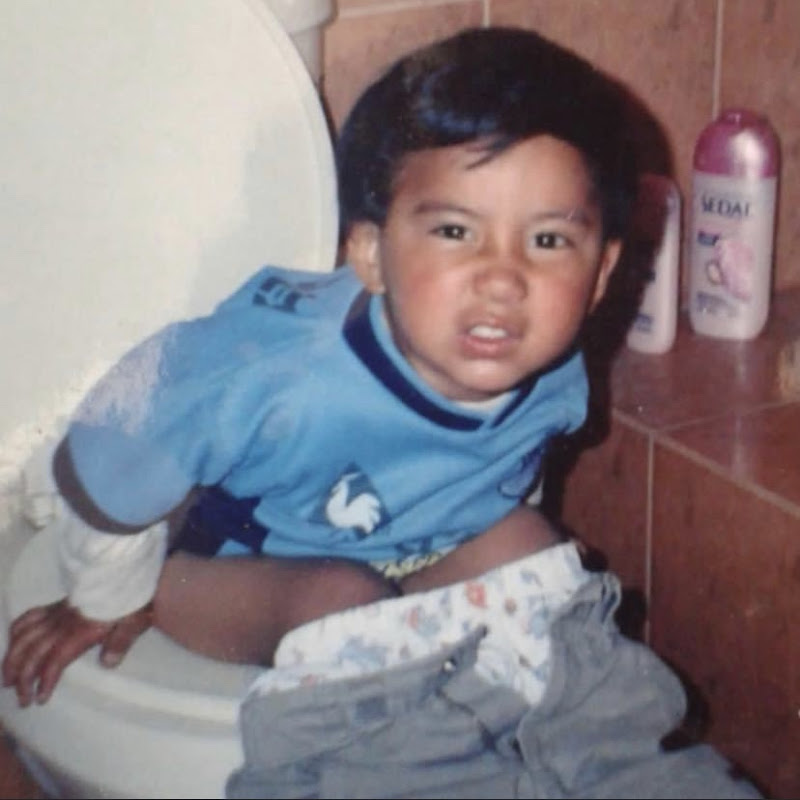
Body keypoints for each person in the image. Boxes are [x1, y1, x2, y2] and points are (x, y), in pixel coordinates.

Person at [2, 26, 763, 799]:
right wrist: (106, 595)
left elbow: (505, 485)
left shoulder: (555, 374)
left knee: (531, 546)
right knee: (340, 600)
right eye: (456, 231)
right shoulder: (277, 370)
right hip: (226, 571)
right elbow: (115, 436)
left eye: (546, 240)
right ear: (369, 252)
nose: (503, 279)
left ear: (600, 273)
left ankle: (627, 769)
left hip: (407, 558)